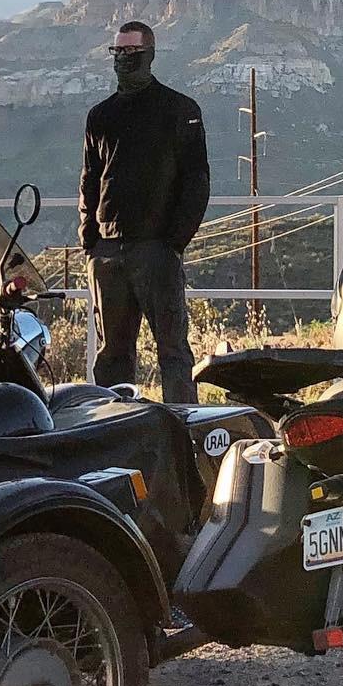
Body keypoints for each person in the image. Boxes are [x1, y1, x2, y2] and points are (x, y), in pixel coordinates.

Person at [78, 21, 210, 403]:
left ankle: (184, 431)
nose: (123, 59)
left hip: (156, 249)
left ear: (149, 54)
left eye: (131, 52)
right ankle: (111, 429)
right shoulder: (99, 116)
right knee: (112, 358)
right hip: (107, 253)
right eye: (117, 52)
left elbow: (197, 180)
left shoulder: (180, 109)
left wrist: (174, 242)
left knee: (172, 351)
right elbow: (89, 179)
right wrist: (89, 238)